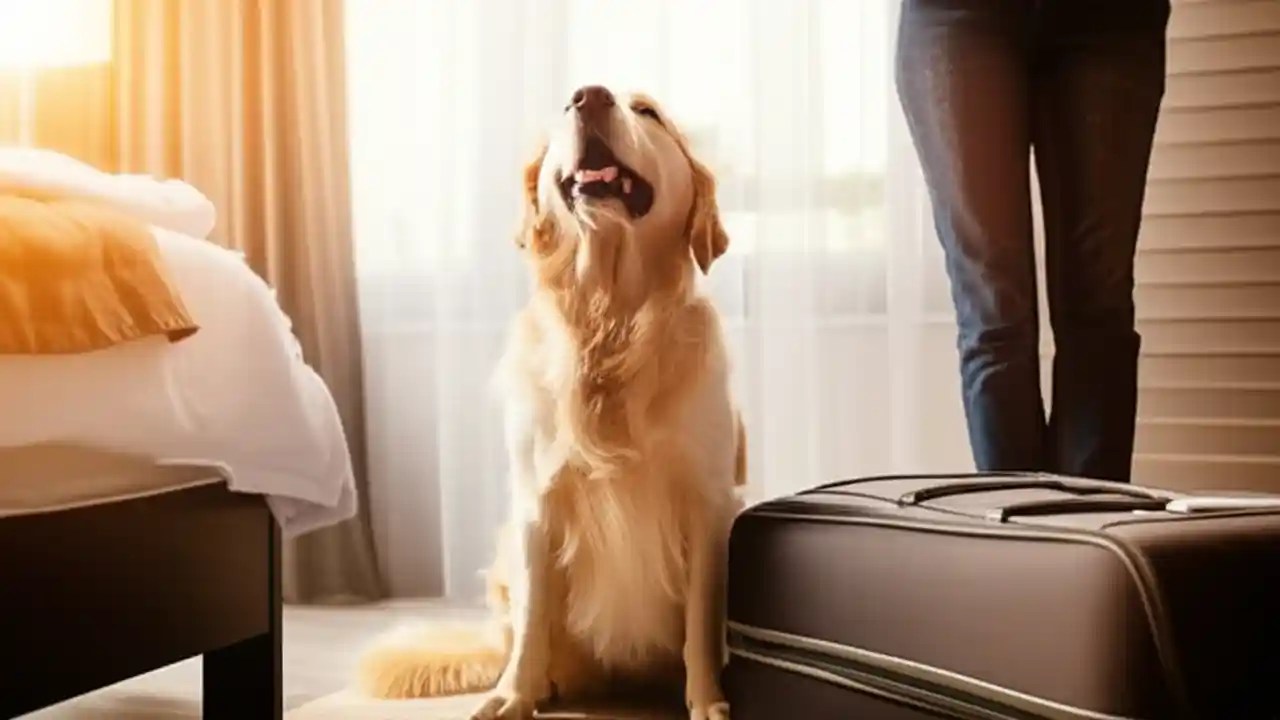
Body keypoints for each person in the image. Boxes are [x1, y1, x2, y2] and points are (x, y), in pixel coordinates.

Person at [895, 0, 1171, 482]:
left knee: (1098, 311)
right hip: (958, 16)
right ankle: (1020, 526)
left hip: (1114, 20)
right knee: (993, 312)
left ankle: (1088, 523)